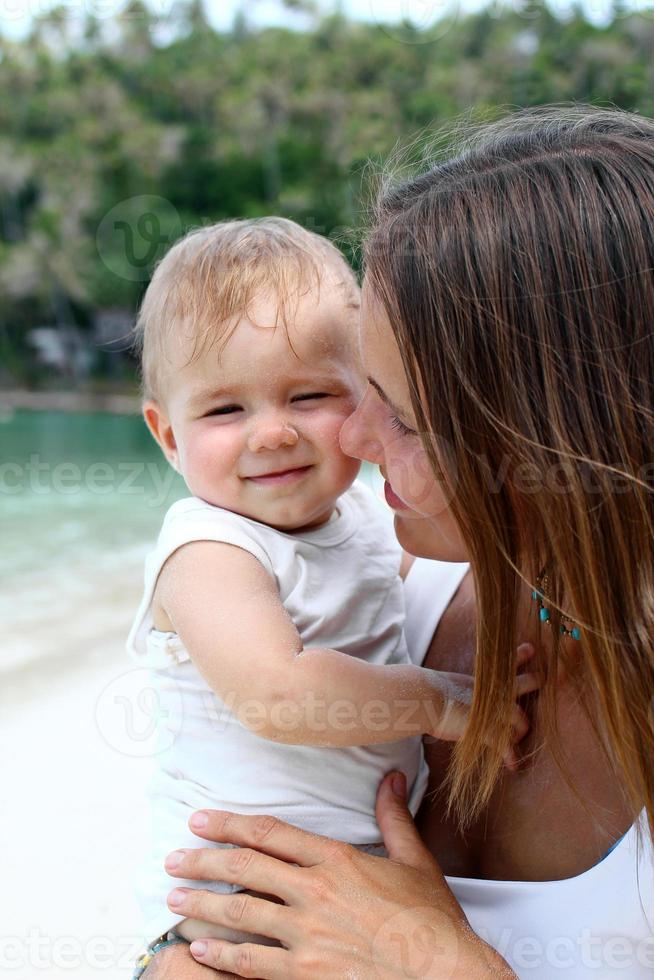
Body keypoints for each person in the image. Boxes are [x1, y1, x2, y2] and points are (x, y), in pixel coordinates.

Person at [142, 106, 654, 979]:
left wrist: (444, 964)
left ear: (554, 442)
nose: (349, 440)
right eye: (364, 391)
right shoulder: (400, 596)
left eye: (401, 416)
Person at [127, 217, 537, 974]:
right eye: (226, 409)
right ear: (169, 438)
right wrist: (440, 701)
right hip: (225, 916)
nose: (273, 433)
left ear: (364, 399)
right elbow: (278, 695)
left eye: (309, 395)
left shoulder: (366, 520)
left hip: (361, 895)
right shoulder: (209, 551)